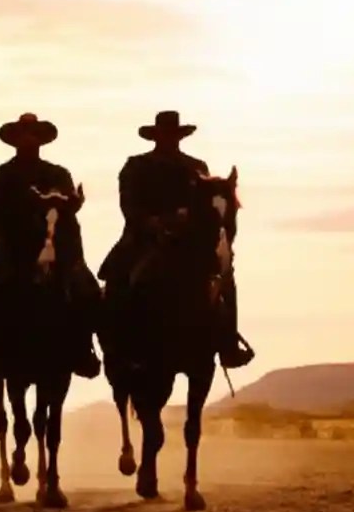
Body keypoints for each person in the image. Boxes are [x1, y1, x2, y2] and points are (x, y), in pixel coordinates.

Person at [98, 111, 253, 369]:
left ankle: (228, 344)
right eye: (165, 134)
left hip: (192, 241)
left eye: (173, 134)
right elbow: (130, 205)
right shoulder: (137, 166)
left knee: (225, 279)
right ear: (156, 136)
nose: (170, 139)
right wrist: (155, 222)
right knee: (119, 278)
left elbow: (208, 207)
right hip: (145, 238)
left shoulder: (197, 167)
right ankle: (119, 341)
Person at [0, 113, 101, 377]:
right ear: (15, 140)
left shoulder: (58, 174)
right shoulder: (0, 175)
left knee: (86, 287)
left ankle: (84, 347)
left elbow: (68, 215)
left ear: (41, 140)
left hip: (53, 247)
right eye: (24, 135)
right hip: (10, 248)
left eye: (33, 135)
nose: (29, 139)